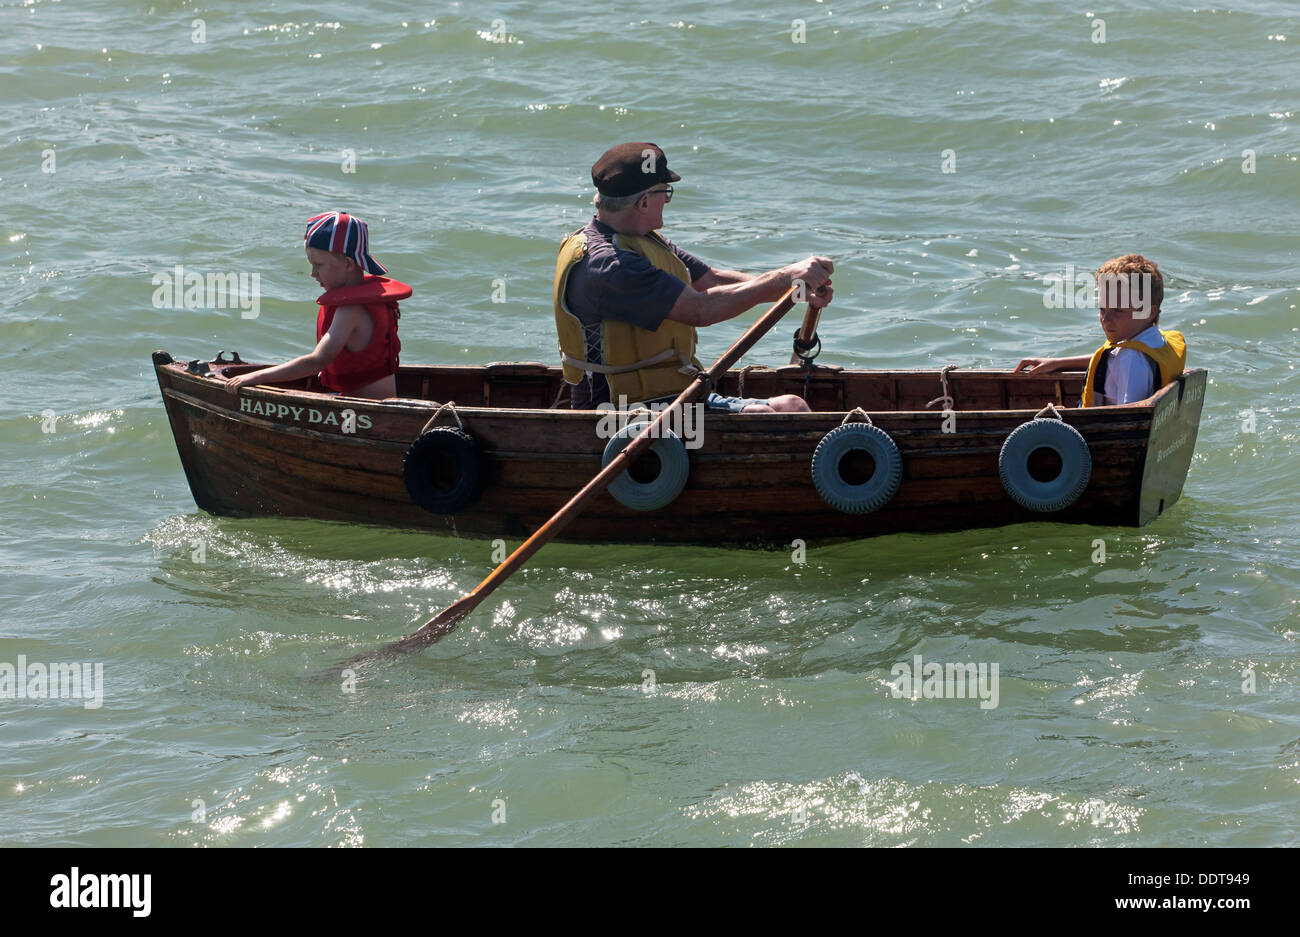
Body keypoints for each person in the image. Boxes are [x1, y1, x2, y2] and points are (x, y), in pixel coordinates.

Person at [554, 142, 834, 412]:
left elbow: (711, 280)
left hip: (672, 398)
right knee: (768, 416)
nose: (667, 199)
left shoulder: (641, 242)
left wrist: (797, 287)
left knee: (792, 406)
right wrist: (783, 278)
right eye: (665, 191)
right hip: (619, 411)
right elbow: (701, 309)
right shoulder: (611, 266)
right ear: (643, 202)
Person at [225, 211, 411, 399]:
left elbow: (318, 360)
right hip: (356, 403)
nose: (313, 273)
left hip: (366, 414)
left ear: (347, 264)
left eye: (319, 265)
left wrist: (257, 376)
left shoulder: (352, 309)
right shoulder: (360, 301)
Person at [1013, 253, 1186, 406]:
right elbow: (1112, 358)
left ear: (1148, 312)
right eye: (1102, 308)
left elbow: (1130, 416)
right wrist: (1059, 363)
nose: (1106, 318)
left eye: (1118, 310)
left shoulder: (1131, 358)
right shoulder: (1158, 342)